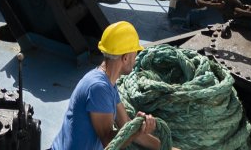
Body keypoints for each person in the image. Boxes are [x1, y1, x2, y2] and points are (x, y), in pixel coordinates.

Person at [51, 21, 180, 150]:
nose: (135, 60)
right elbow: (109, 142)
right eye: (135, 54)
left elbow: (125, 124)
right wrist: (137, 131)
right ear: (125, 58)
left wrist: (166, 147)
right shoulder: (99, 88)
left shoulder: (108, 83)